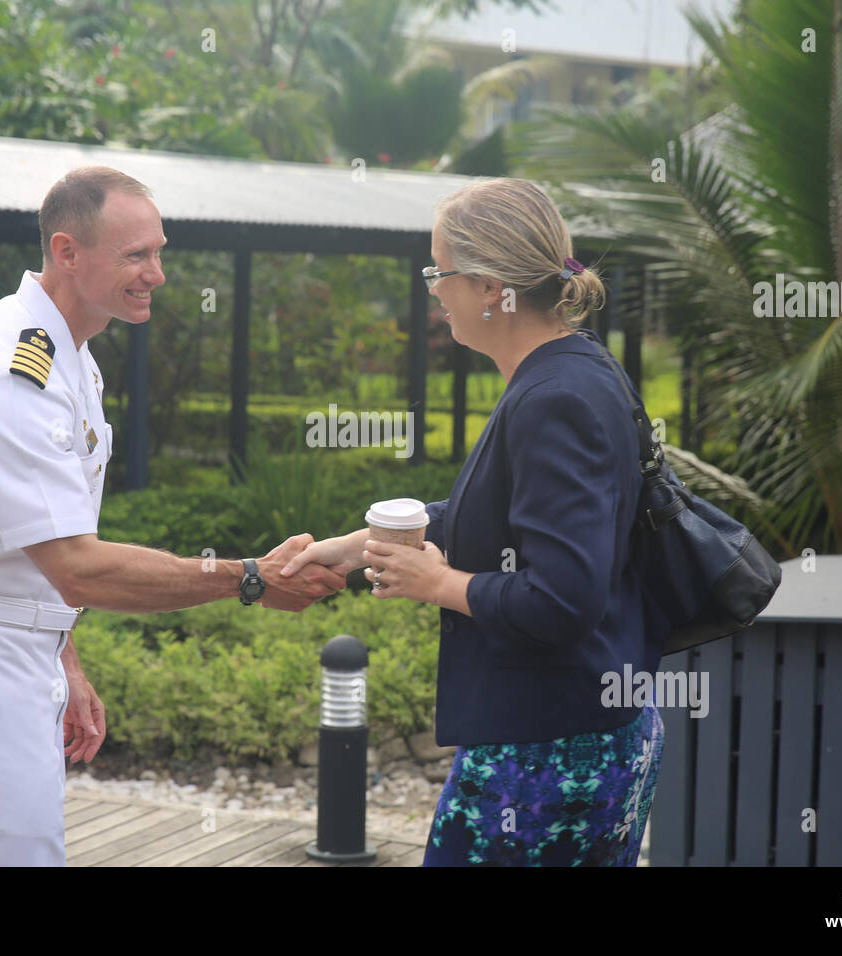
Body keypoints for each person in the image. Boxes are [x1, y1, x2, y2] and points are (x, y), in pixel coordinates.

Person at [0, 166, 346, 867]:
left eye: (159, 252)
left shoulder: (69, 355)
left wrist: (62, 654)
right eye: (137, 255)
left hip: (8, 648)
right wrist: (249, 578)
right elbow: (75, 564)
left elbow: (34, 553)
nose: (158, 275)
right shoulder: (13, 372)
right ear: (68, 251)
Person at [281, 177, 667, 866]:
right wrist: (357, 546)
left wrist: (439, 584)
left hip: (549, 752)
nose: (434, 290)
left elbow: (562, 597)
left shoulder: (554, 399)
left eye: (441, 271)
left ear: (492, 287)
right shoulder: (579, 369)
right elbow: (520, 520)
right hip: (587, 726)